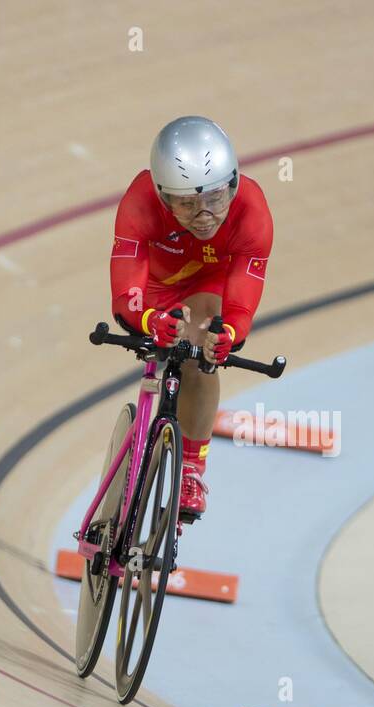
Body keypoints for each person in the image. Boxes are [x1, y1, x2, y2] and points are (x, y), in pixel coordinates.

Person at [109, 116, 273, 525]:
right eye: (186, 203)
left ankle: (191, 469)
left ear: (233, 184)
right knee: (163, 335)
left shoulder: (251, 211)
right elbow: (126, 293)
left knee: (202, 346)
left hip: (207, 284)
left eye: (216, 198)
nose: (204, 215)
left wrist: (228, 334)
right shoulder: (139, 201)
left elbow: (241, 304)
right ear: (162, 197)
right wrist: (148, 319)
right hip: (154, 287)